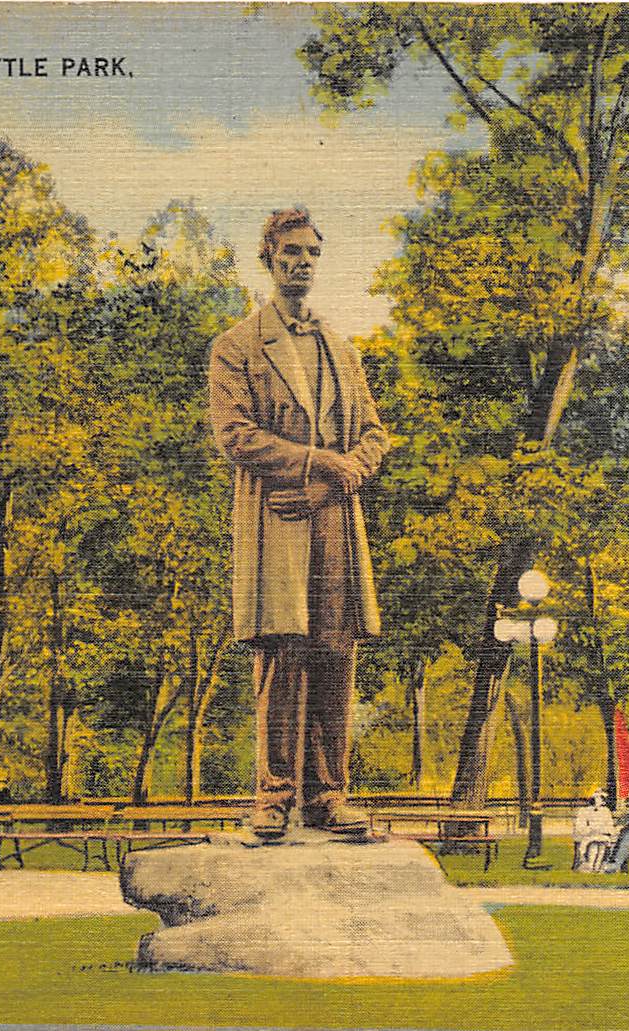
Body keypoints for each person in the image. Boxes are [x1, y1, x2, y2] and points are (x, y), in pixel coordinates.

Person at [208, 208, 389, 840]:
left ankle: (329, 795)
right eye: (290, 251)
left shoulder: (341, 346)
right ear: (268, 256)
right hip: (276, 521)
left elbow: (372, 433)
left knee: (336, 652)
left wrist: (338, 475)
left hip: (335, 516)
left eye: (312, 252)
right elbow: (234, 433)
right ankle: (274, 795)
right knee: (282, 653)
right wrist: (317, 463)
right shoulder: (235, 346)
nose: (301, 261)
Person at [571, 789, 618, 872]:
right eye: (597, 798)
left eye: (601, 798)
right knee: (594, 844)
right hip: (588, 835)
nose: (599, 800)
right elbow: (580, 827)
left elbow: (610, 825)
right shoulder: (584, 811)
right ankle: (590, 865)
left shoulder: (606, 811)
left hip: (602, 835)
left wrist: (604, 830)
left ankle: (597, 866)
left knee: (602, 843)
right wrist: (591, 829)